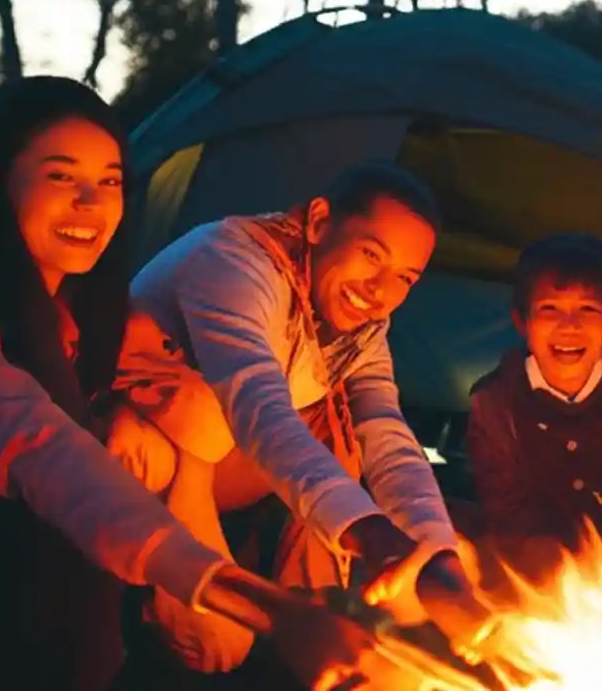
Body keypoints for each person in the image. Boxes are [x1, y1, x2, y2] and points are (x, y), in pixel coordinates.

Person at [0, 76, 358, 690]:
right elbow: (41, 450)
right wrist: (264, 604)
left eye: (111, 181)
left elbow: (188, 411)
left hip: (27, 585)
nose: (91, 205)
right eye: (61, 177)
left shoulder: (85, 304)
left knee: (166, 430)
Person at [108, 160, 476, 676]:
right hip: (142, 451)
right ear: (320, 222)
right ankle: (150, 613)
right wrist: (371, 534)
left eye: (404, 279)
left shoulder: (362, 331)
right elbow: (258, 408)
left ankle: (314, 624)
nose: (379, 290)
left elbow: (386, 433)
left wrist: (438, 555)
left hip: (228, 458)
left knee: (339, 425)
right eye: (371, 255)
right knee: (219, 646)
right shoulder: (235, 261)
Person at [465, 233, 602, 584]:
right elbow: (503, 507)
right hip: (537, 574)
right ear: (522, 321)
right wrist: (561, 563)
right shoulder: (494, 404)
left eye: (588, 309)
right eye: (549, 309)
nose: (569, 326)